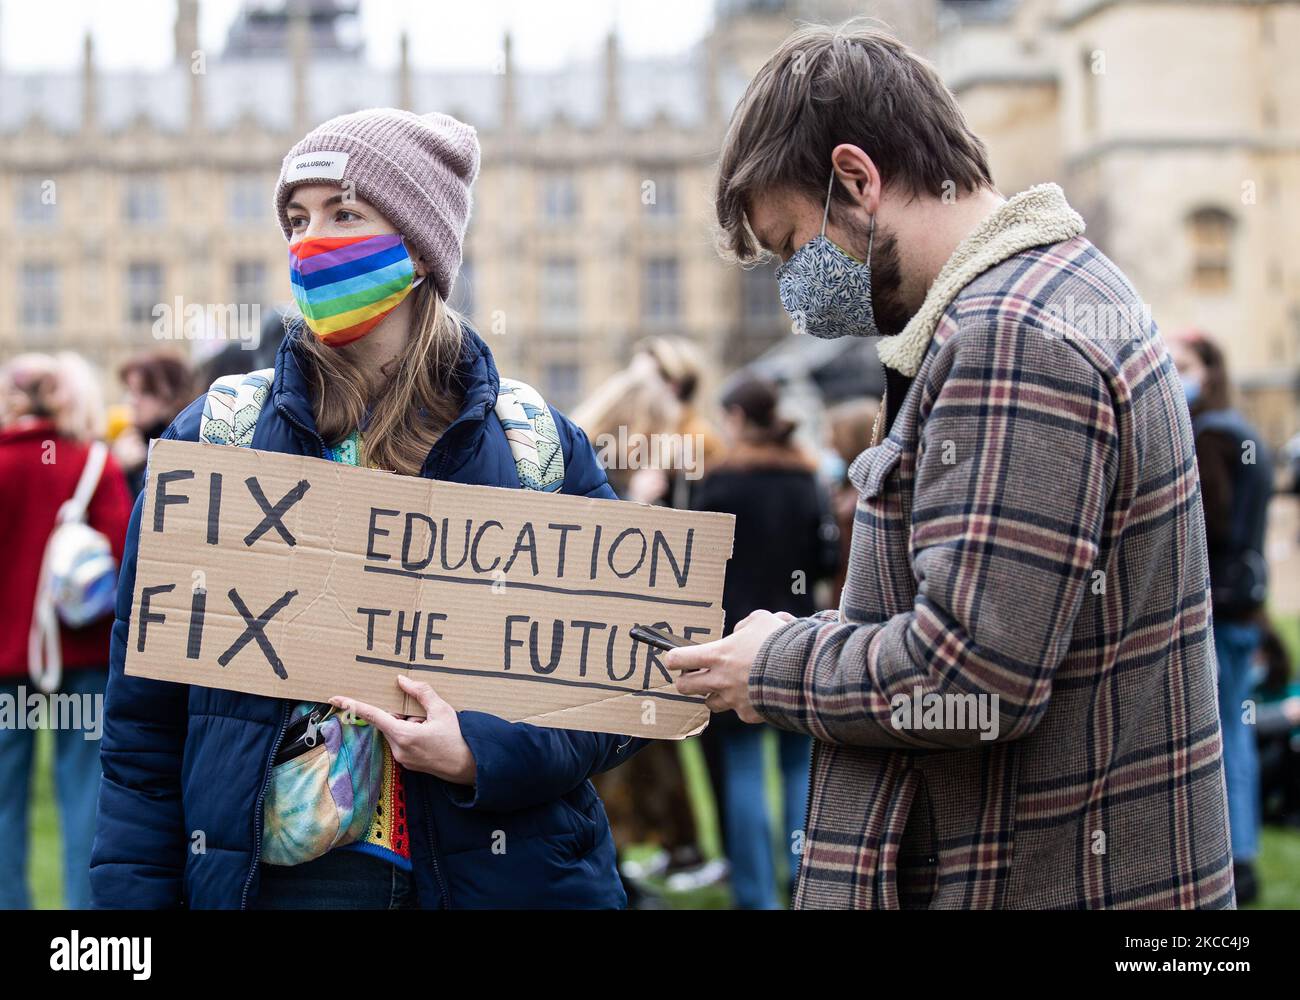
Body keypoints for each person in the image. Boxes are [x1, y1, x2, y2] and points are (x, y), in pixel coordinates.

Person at [665, 23, 1234, 909]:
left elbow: (971, 678)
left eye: (793, 246)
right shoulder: (1049, 297)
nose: (798, 286)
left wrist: (775, 664)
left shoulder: (1010, 337)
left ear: (857, 180)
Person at [91, 108, 643, 910]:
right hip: (280, 886)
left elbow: (624, 683)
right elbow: (143, 734)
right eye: (296, 218)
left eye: (344, 214)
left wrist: (480, 752)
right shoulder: (220, 439)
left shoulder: (536, 446)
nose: (311, 241)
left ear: (420, 247)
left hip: (497, 875)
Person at [570, 340, 725, 898]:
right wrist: (644, 500)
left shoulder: (576, 440)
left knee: (612, 755)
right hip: (619, 637)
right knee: (623, 755)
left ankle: (629, 860)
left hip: (592, 640)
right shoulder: (622, 463)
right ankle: (633, 861)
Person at [692, 376, 838, 908]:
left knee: (745, 766)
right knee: (800, 766)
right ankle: (804, 877)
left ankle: (756, 896)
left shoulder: (720, 483)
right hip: (798, 637)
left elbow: (697, 562)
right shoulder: (808, 479)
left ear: (735, 417)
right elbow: (824, 560)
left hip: (733, 640)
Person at [0, 352, 133, 909]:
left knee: (5, 803)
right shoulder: (91, 464)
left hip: (5, 666)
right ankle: (81, 925)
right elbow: (126, 556)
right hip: (82, 657)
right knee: (84, 798)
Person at [1168, 328, 1274, 903]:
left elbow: (1208, 530)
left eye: (1183, 362)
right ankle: (1244, 852)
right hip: (1246, 606)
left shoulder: (1211, 437)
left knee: (1223, 734)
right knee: (1239, 730)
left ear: (1208, 371)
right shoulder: (1245, 433)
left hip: (1220, 606)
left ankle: (1231, 854)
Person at [113, 351, 195, 498]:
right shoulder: (129, 442)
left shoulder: (183, 448)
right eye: (130, 391)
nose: (133, 401)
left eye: (144, 392)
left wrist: (122, 472)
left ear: (171, 399)